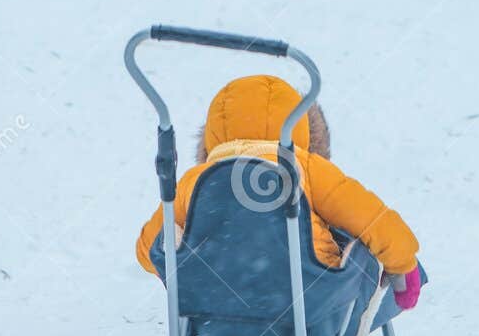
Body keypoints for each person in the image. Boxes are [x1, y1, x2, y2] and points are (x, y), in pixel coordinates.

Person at [136, 74, 423, 309]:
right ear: (300, 126)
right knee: (352, 244)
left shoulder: (197, 181)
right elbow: (370, 217)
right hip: (307, 295)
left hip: (218, 300)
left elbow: (149, 247)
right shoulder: (305, 168)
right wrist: (404, 263)